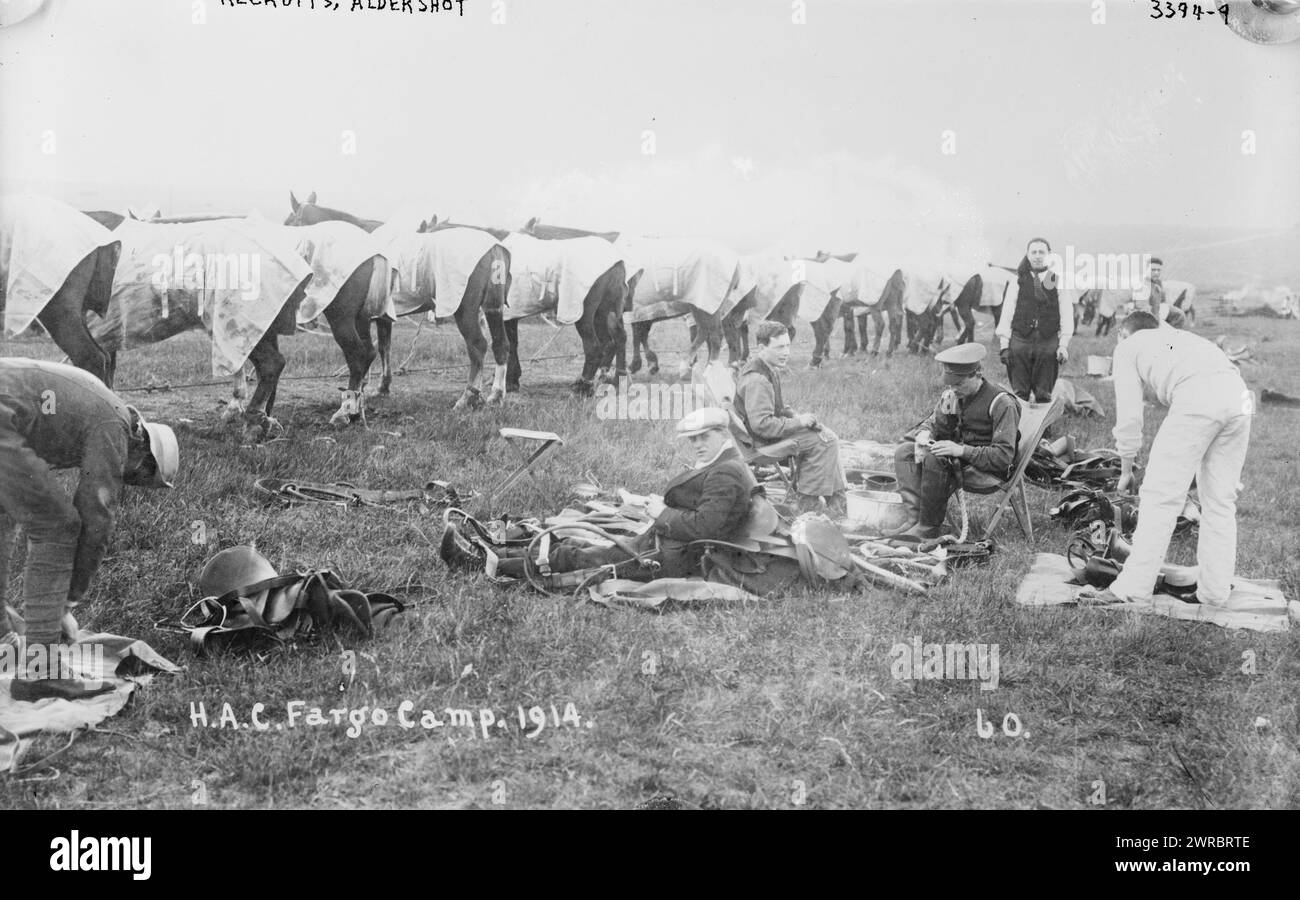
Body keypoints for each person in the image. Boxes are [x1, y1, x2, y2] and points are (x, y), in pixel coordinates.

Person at [0, 358, 178, 701]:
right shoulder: (116, 426)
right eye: (137, 477)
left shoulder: (103, 407)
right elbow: (95, 515)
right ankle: (42, 671)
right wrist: (66, 602)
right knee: (58, 525)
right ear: (144, 455)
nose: (128, 480)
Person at [442, 407, 761, 582]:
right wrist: (653, 506)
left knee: (575, 557)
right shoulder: (727, 464)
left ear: (723, 433)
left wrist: (660, 512)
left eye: (704, 437)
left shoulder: (726, 472)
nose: (698, 445)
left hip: (669, 558)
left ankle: (480, 563)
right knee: (574, 544)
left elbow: (705, 527)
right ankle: (489, 549)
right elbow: (703, 513)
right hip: (665, 545)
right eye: (693, 440)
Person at [1097, 310, 1252, 607]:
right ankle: (1214, 593)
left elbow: (1130, 416)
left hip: (1198, 396)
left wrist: (1126, 468)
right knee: (1220, 501)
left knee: (1160, 497)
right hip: (1239, 397)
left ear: (1123, 334)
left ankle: (1131, 588)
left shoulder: (1127, 347)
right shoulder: (1178, 337)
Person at [892, 344, 1021, 540]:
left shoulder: (1001, 403)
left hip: (988, 470)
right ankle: (914, 519)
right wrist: (925, 434)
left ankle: (928, 529)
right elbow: (936, 423)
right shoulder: (954, 395)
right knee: (905, 452)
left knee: (935, 460)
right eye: (950, 384)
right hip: (962, 457)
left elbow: (1003, 457)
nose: (953, 389)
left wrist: (960, 451)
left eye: (959, 384)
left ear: (977, 374)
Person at [733, 321, 848, 515]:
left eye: (787, 345)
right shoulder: (758, 380)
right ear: (762, 348)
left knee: (828, 436)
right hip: (760, 443)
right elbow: (762, 425)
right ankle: (808, 503)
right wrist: (798, 423)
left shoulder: (768, 368)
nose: (786, 352)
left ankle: (836, 500)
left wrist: (796, 416)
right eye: (779, 347)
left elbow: (776, 408)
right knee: (823, 441)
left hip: (765, 435)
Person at [995, 238, 1074, 402]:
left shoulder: (1057, 280)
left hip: (1047, 340)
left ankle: (1043, 425)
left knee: (1043, 392)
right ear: (1028, 255)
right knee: (1019, 391)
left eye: (1042, 252)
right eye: (1034, 252)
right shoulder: (1017, 281)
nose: (1038, 256)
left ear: (1049, 256)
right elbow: (1008, 312)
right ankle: (1019, 424)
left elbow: (1066, 313)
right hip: (1020, 339)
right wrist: (1004, 345)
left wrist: (1063, 345)